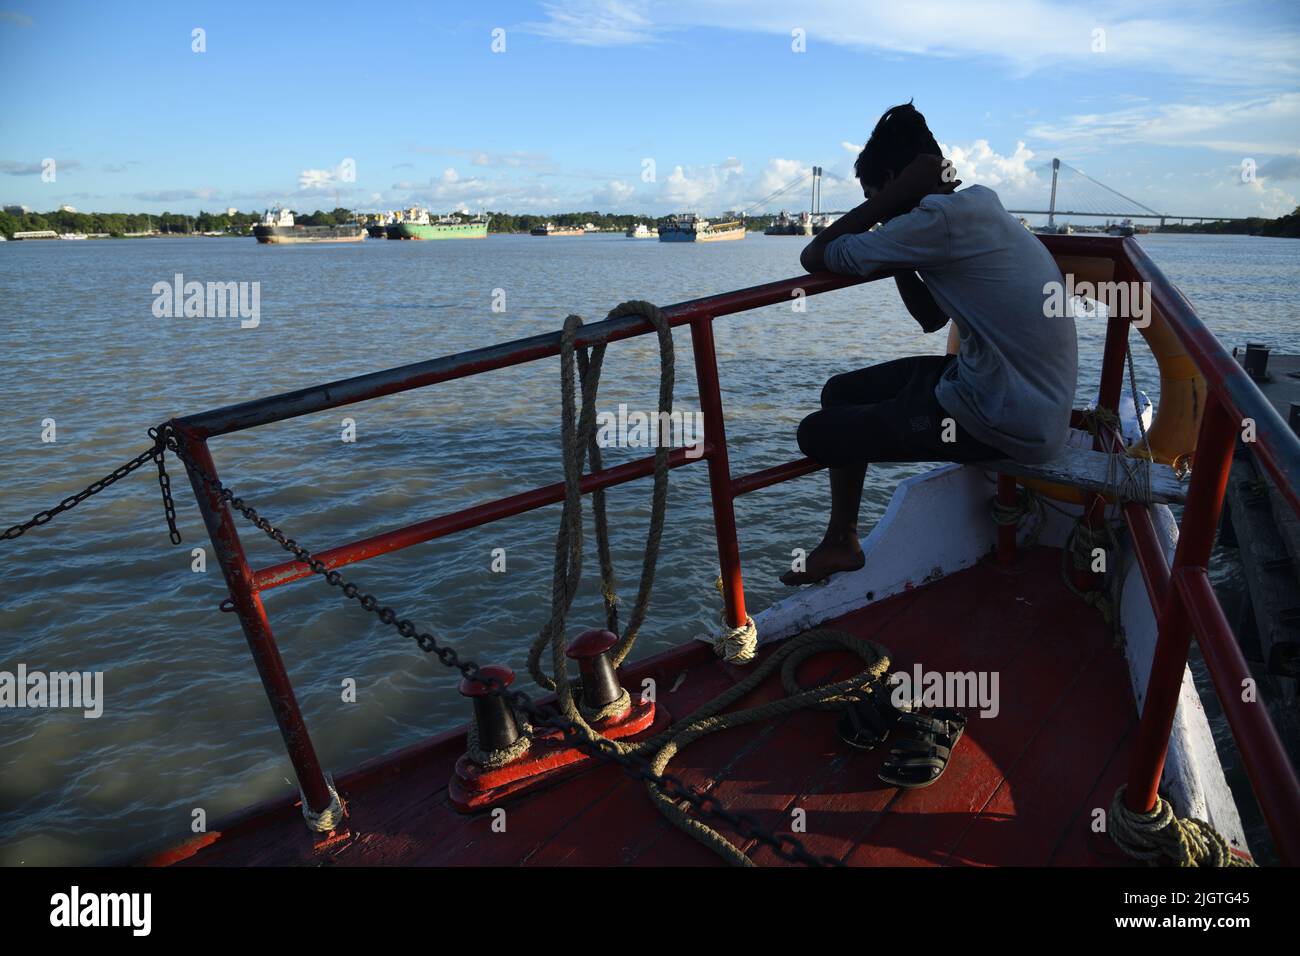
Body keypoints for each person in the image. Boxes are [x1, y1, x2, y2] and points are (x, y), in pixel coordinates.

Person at [781, 102, 1076, 586]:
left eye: (873, 192)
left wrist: (888, 203)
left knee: (819, 433)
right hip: (1003, 389)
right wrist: (894, 235)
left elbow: (813, 254)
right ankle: (841, 542)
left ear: (897, 180)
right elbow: (930, 317)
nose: (874, 207)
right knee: (840, 391)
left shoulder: (939, 219)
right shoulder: (973, 205)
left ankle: (840, 542)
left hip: (1008, 417)